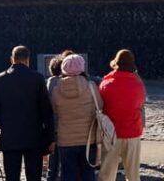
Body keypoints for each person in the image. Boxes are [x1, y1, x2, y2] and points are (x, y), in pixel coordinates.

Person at [0, 45, 55, 181]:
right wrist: (50, 136)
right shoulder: (37, 78)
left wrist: (5, 125)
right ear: (28, 60)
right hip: (34, 136)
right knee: (34, 176)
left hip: (10, 136)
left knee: (12, 176)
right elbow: (46, 110)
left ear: (11, 59)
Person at [49, 54, 99, 181]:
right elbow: (100, 106)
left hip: (65, 140)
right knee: (88, 173)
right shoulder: (91, 86)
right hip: (88, 139)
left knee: (67, 174)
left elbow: (54, 111)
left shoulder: (56, 89)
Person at [99, 49, 146, 181]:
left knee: (107, 174)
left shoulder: (105, 84)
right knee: (133, 174)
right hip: (132, 132)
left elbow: (101, 106)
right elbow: (140, 105)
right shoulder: (138, 84)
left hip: (111, 133)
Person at [45, 55, 66, 181]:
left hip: (53, 127)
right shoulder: (66, 82)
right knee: (65, 165)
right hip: (66, 128)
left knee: (52, 164)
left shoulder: (50, 83)